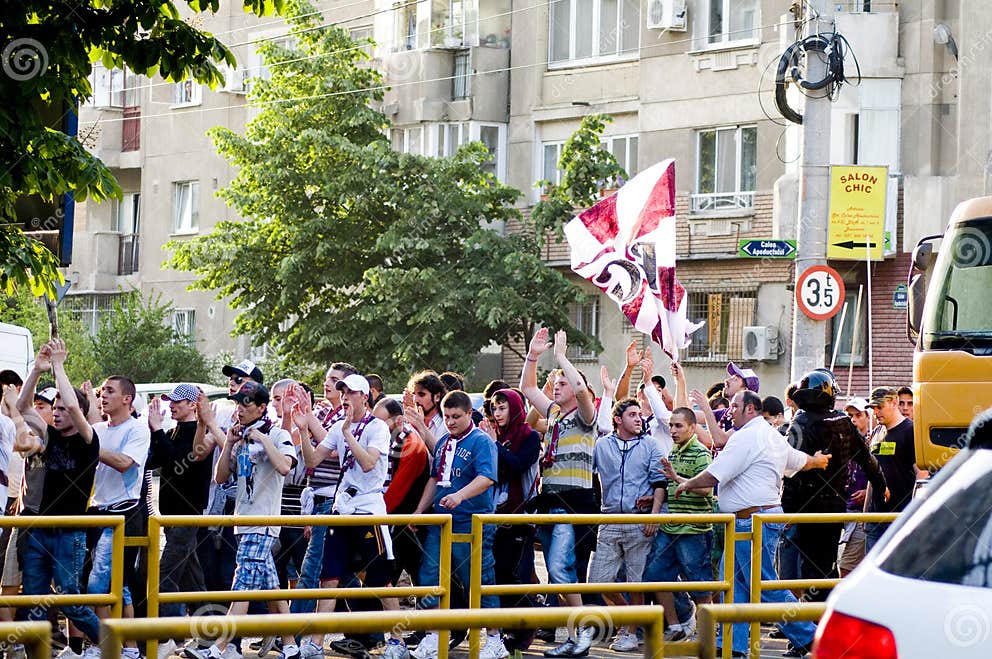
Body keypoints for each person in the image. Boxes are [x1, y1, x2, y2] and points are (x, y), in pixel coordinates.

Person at [674, 391, 830, 657]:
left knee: (762, 585)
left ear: (750, 409)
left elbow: (715, 474)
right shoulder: (769, 434)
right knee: (734, 585)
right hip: (750, 521)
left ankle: (812, 638)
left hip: (751, 521)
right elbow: (798, 460)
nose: (730, 411)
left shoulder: (747, 437)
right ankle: (732, 645)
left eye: (734, 406)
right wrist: (816, 461)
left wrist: (687, 483)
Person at [296, 375, 410, 659]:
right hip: (342, 508)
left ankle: (397, 641)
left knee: (381, 578)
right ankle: (315, 642)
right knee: (329, 577)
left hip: (368, 509)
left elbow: (369, 463)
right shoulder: (338, 426)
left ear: (365, 396)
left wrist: (347, 434)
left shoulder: (377, 427)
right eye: (343, 392)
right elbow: (312, 461)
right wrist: (303, 430)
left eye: (351, 392)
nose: (345, 397)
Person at [188, 381, 299, 659]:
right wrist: (229, 442)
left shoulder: (278, 434)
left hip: (263, 522)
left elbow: (285, 466)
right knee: (272, 588)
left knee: (242, 585)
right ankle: (291, 646)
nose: (239, 408)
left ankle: (218, 647)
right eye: (237, 402)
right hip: (242, 520)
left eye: (246, 403)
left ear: (262, 408)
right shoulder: (239, 437)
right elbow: (220, 477)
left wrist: (262, 439)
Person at [13, 340, 103, 658]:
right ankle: (37, 654)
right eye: (55, 408)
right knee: (32, 600)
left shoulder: (89, 440)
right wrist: (37, 371)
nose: (57, 412)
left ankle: (114, 646)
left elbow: (77, 408)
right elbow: (22, 407)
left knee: (70, 602)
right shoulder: (50, 437)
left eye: (62, 408)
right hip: (42, 530)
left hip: (70, 533)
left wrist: (60, 366)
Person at [519, 328, 598, 658]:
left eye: (562, 382)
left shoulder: (586, 416)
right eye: (556, 382)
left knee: (561, 569)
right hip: (550, 501)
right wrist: (533, 355)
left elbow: (580, 388)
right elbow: (527, 389)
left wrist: (563, 357)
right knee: (557, 573)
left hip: (572, 503)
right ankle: (574, 636)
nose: (557, 385)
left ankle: (583, 631)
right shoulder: (553, 412)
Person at [411, 391, 505, 659]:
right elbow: (434, 479)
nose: (450, 422)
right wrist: (419, 510)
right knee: (430, 576)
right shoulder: (442, 441)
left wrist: (460, 495)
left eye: (456, 416)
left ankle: (494, 638)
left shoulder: (481, 441)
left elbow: (487, 478)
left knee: (478, 580)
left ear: (469, 414)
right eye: (446, 417)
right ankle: (434, 635)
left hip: (472, 521)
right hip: (441, 521)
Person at [782, 371, 887, 605]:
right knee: (827, 565)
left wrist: (785, 509)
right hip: (835, 507)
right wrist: (882, 486)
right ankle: (825, 615)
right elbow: (868, 460)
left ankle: (812, 621)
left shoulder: (801, 422)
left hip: (806, 507)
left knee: (810, 567)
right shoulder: (843, 422)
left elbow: (789, 468)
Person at [589, 371, 665, 654]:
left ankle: (630, 632)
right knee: (598, 582)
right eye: (632, 415)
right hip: (609, 519)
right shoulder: (602, 444)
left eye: (639, 415)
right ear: (618, 420)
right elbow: (591, 468)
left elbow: (660, 483)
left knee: (636, 582)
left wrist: (653, 515)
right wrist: (608, 392)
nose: (638, 419)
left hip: (638, 521)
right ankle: (632, 619)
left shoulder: (650, 444)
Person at [147, 384, 214, 659]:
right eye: (170, 401)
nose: (172, 405)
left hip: (187, 514)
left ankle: (168, 637)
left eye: (177, 401)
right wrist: (154, 431)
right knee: (192, 579)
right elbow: (154, 460)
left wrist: (157, 431)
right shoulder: (173, 431)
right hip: (172, 516)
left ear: (192, 405)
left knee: (164, 576)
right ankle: (209, 637)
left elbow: (179, 461)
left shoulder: (199, 433)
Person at [87, 374, 150, 649]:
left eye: (110, 391)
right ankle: (130, 648)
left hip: (124, 512)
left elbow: (125, 463)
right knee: (119, 585)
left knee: (98, 586)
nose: (103, 395)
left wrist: (92, 447)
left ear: (127, 399)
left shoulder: (138, 429)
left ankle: (105, 646)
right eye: (101, 391)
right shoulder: (98, 429)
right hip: (97, 511)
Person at [644, 407, 714, 643]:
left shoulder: (701, 453)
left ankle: (706, 631)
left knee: (699, 583)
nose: (673, 430)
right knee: (655, 575)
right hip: (671, 525)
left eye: (678, 426)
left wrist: (677, 479)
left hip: (693, 529)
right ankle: (675, 625)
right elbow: (671, 487)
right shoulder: (673, 451)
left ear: (692, 428)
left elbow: (706, 489)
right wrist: (653, 499)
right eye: (671, 426)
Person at [480, 388, 540, 654]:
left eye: (503, 408)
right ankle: (509, 629)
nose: (497, 413)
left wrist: (493, 445)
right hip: (495, 516)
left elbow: (517, 466)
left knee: (515, 574)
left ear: (515, 409)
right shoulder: (496, 437)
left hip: (520, 516)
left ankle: (531, 622)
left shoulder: (529, 436)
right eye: (494, 408)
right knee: (498, 575)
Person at [864, 387, 919, 551]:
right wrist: (865, 512)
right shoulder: (876, 432)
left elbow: (921, 475)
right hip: (875, 518)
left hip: (900, 517)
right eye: (873, 408)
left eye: (879, 407)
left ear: (894, 403)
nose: (875, 412)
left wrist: (915, 513)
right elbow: (872, 474)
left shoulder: (911, 431)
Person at [838, 397, 872, 576]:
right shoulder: (841, 442)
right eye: (850, 416)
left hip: (861, 513)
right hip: (840, 509)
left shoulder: (875, 442)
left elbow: (886, 475)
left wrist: (868, 492)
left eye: (858, 415)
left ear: (868, 417)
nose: (853, 420)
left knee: (846, 567)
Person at [690, 362, 759, 449]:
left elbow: (720, 441)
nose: (726, 380)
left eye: (735, 379)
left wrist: (706, 408)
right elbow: (687, 416)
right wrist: (679, 379)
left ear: (745, 390)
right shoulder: (725, 413)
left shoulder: (748, 418)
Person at [404, 371, 446, 453]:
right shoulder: (411, 422)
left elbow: (441, 455)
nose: (415, 400)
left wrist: (421, 426)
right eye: (414, 394)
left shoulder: (446, 424)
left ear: (437, 397)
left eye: (421, 394)